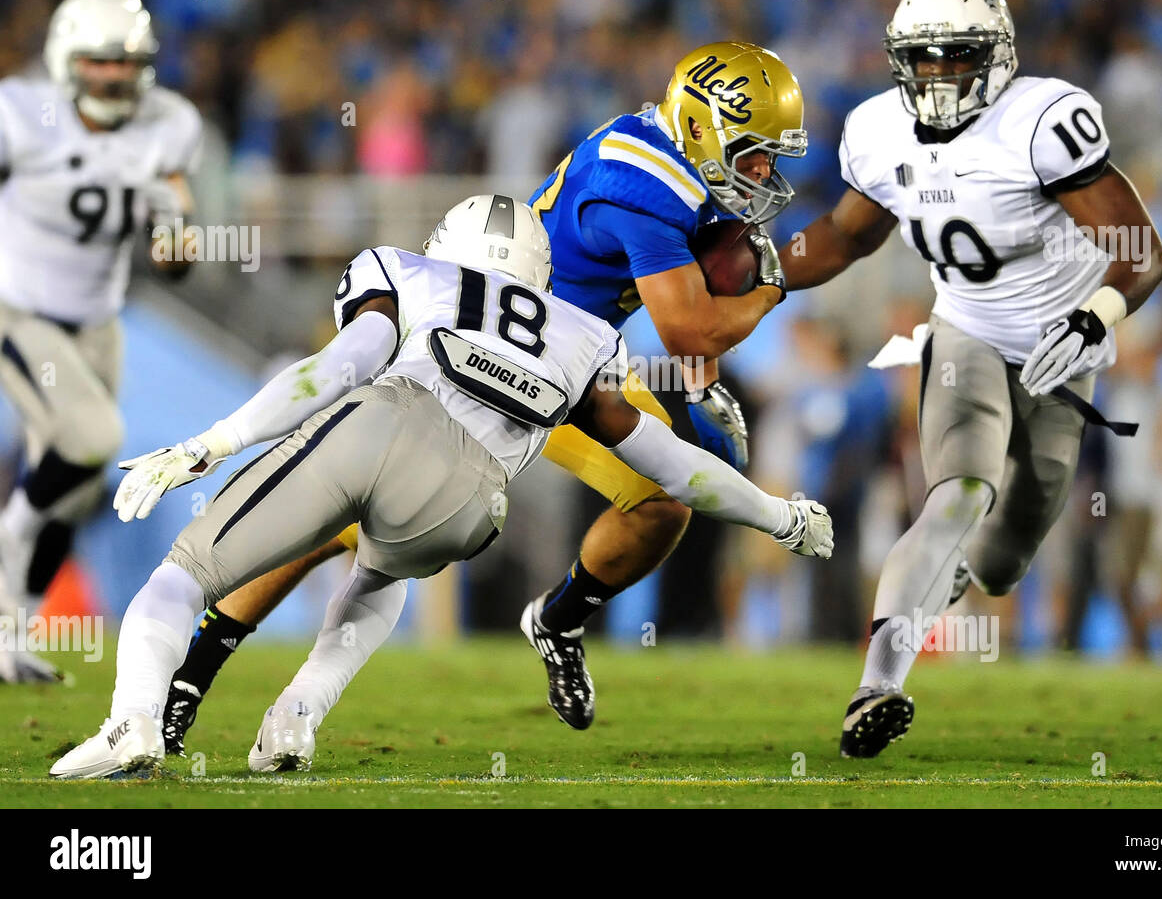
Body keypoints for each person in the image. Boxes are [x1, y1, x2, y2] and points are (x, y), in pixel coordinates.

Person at [50, 196, 832, 778]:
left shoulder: (408, 270)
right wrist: (777, 514)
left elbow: (341, 368)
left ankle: (134, 722)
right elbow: (669, 464)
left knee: (177, 579)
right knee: (383, 569)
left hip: (389, 419)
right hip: (471, 506)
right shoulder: (587, 336)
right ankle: (295, 715)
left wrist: (209, 444)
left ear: (449, 246)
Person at [160, 41, 806, 745]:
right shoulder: (644, 184)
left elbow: (685, 321)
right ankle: (192, 674)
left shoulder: (671, 162)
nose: (766, 172)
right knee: (334, 520)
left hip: (570, 368)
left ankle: (556, 620)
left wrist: (700, 383)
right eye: (755, 153)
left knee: (662, 504)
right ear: (702, 128)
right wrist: (772, 289)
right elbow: (690, 329)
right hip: (491, 358)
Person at [779, 0, 1162, 756]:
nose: (938, 75)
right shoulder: (879, 130)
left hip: (1065, 348)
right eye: (921, 60)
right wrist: (765, 269)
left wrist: (1095, 313)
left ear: (996, 56)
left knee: (1000, 560)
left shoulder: (1040, 121)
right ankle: (877, 685)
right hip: (965, 334)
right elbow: (849, 235)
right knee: (954, 496)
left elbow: (1141, 251)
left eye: (958, 56)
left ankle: (948, 570)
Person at [0, 0, 200, 682]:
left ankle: (9, 635)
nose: (115, 75)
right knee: (90, 441)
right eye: (100, 60)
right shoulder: (20, 114)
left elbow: (175, 259)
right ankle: (9, 534)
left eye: (129, 61)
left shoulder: (170, 124)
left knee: (79, 493)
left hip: (98, 320)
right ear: (65, 59)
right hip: (19, 309)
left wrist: (175, 231)